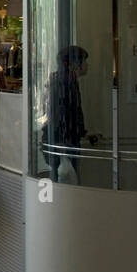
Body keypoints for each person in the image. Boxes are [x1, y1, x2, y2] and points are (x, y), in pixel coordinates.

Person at [44, 44, 96, 183]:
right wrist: (63, 141)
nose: (87, 65)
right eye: (84, 61)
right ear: (74, 64)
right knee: (67, 182)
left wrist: (82, 132)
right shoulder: (63, 83)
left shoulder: (67, 81)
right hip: (65, 142)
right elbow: (59, 112)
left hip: (66, 140)